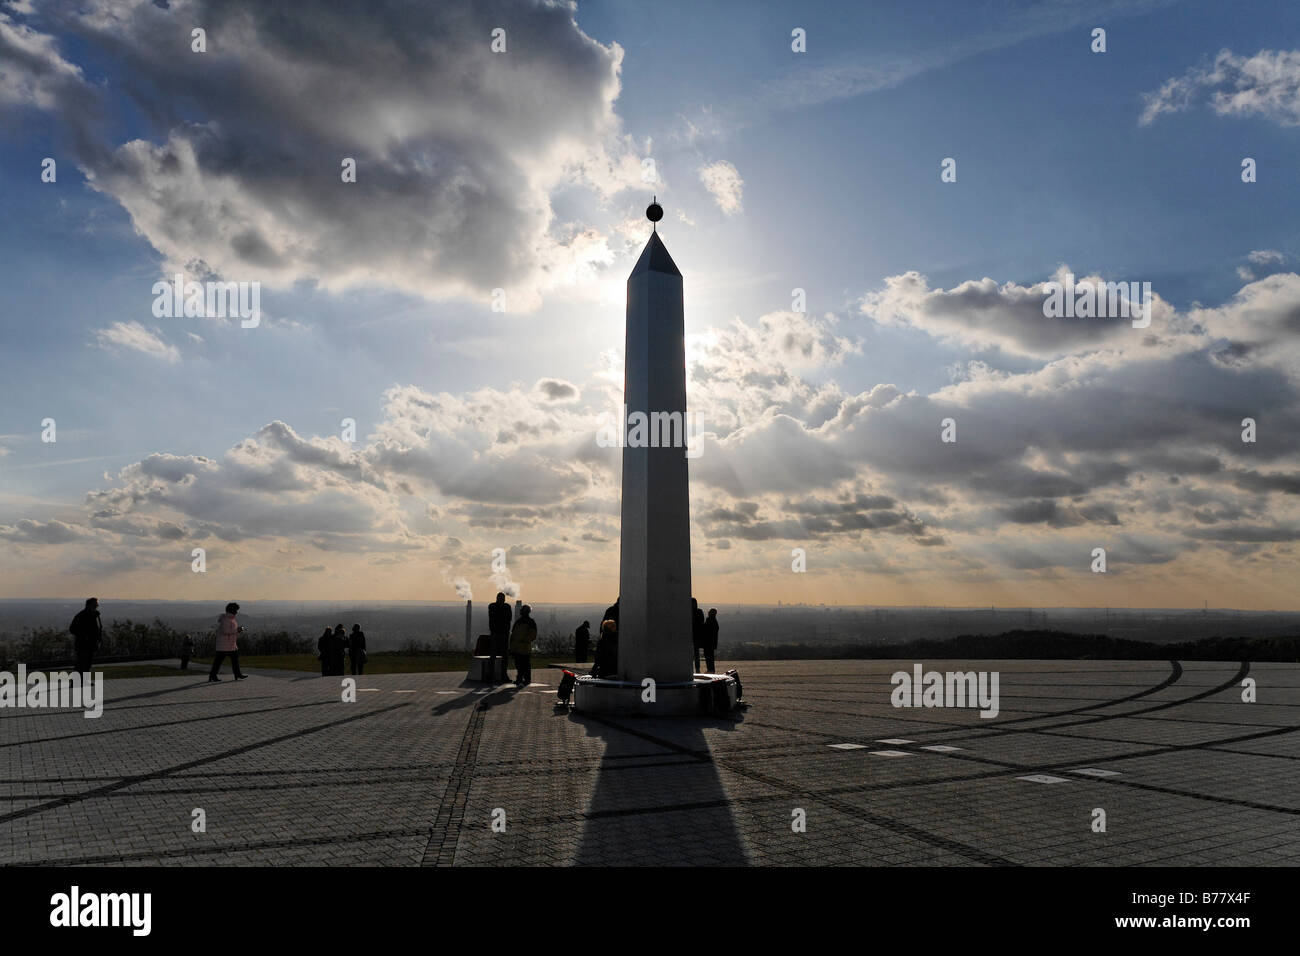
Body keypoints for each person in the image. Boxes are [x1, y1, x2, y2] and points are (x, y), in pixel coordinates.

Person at [209, 602, 248, 682]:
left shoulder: (231, 619)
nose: (237, 612)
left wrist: (238, 630)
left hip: (230, 645)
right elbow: (226, 631)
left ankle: (237, 674)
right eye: (236, 610)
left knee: (233, 660)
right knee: (219, 661)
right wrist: (237, 630)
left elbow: (231, 631)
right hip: (224, 645)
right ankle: (213, 675)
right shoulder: (226, 619)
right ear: (232, 610)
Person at [69, 597, 103, 673]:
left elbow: (97, 629)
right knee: (80, 663)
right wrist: (84, 636)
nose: (97, 605)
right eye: (95, 604)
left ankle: (84, 681)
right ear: (89, 605)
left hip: (91, 643)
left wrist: (98, 639)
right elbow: (72, 629)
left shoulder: (95, 615)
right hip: (83, 644)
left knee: (88, 663)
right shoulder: (81, 615)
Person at [508, 604, 538, 687]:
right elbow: (513, 634)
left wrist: (524, 641)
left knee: (525, 664)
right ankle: (520, 679)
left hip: (524, 648)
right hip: (518, 648)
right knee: (519, 664)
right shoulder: (519, 622)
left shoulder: (529, 622)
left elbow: (533, 635)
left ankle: (526, 679)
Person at [487, 592, 512, 683]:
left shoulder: (504, 607)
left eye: (502, 598)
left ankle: (502, 675)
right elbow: (506, 619)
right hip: (497, 633)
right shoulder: (493, 606)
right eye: (501, 598)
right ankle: (491, 676)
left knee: (503, 656)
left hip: (502, 633)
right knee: (494, 655)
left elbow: (508, 619)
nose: (502, 600)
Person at [701, 608, 719, 673]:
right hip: (711, 642)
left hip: (708, 642)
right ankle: (711, 669)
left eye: (709, 612)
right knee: (710, 656)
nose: (708, 612)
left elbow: (705, 629)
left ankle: (710, 669)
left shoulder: (710, 620)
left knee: (708, 657)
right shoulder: (714, 621)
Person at [691, 597, 704, 672]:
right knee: (691, 653)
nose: (693, 605)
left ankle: (697, 668)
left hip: (696, 635)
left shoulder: (699, 611)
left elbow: (702, 621)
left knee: (696, 653)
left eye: (694, 603)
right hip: (690, 634)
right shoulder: (698, 611)